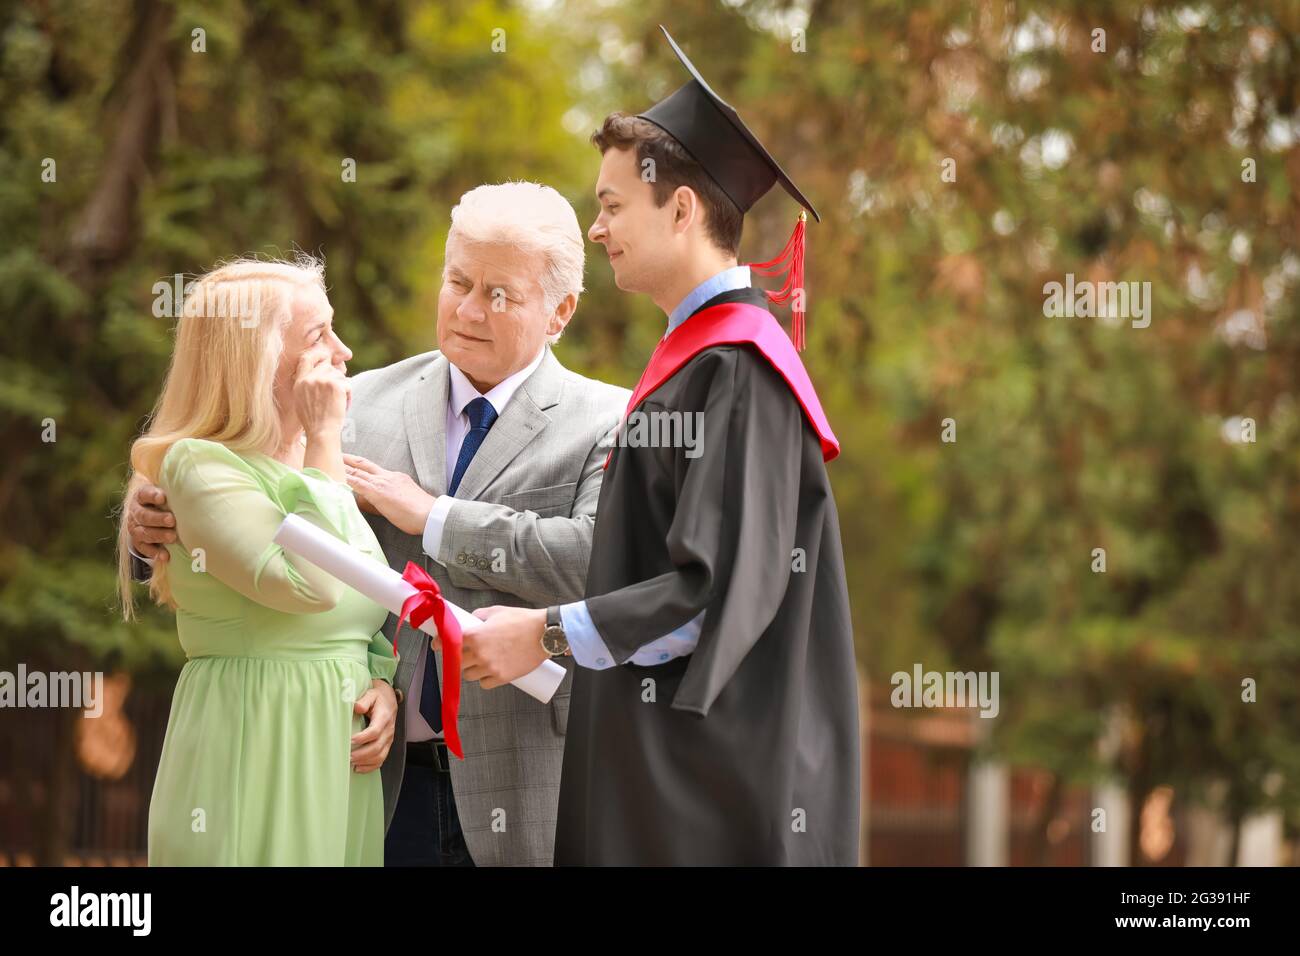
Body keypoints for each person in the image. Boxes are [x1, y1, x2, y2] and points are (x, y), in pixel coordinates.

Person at [125, 183, 633, 866]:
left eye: (499, 294)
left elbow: (602, 560)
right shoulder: (349, 402)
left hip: (531, 780)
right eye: (458, 282)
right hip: (369, 775)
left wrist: (436, 518)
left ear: (561, 311)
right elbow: (231, 485)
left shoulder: (612, 420)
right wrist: (145, 519)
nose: (468, 309)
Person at [464, 28, 861, 865]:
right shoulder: (699, 363)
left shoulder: (740, 373)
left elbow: (711, 595)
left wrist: (544, 633)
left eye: (611, 205)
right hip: (666, 784)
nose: (596, 227)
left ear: (680, 208)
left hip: (713, 801)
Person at [117, 256, 399, 865]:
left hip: (336, 759)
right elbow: (313, 584)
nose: (343, 351)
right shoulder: (203, 466)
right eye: (317, 335)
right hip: (258, 741)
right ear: (255, 357)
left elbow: (361, 605)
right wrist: (324, 439)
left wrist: (380, 680)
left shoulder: (316, 468)